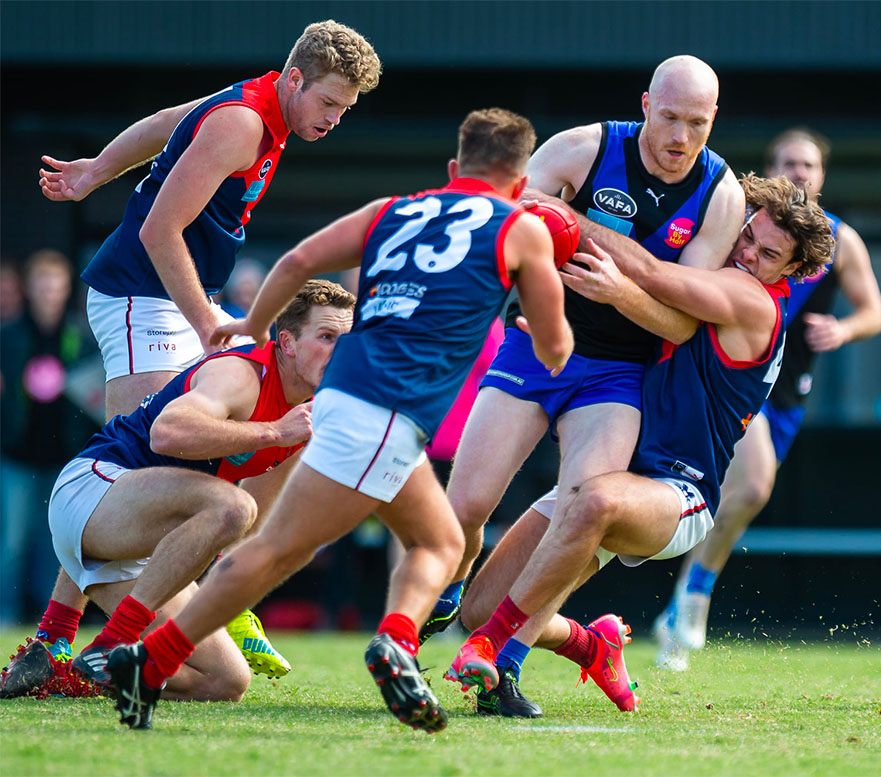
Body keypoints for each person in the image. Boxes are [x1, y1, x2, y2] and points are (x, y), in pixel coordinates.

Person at [106, 108, 572, 732]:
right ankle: (385, 643)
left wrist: (250, 325)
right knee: (284, 550)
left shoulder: (390, 209)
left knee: (438, 540)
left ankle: (389, 643)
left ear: (454, 169)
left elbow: (298, 261)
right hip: (388, 408)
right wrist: (543, 333)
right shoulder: (523, 227)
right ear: (519, 184)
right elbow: (555, 347)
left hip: (351, 398)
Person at [31, 19, 381, 677]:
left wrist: (96, 171)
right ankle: (62, 638)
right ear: (296, 79)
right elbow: (163, 228)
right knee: (143, 465)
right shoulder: (244, 122)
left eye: (346, 110)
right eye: (329, 103)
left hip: (179, 293)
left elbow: (168, 119)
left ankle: (219, 574)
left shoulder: (259, 106)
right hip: (144, 293)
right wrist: (205, 325)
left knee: (264, 427)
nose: (335, 119)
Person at [425, 54, 746, 718]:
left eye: (696, 123)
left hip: (620, 370)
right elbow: (504, 215)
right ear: (645, 104)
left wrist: (620, 289)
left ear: (713, 120)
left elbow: (683, 323)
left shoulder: (721, 195)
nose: (679, 137)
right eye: (669, 118)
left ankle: (501, 666)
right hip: (538, 344)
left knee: (579, 512)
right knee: (465, 506)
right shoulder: (584, 146)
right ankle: (438, 601)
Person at [447, 174, 834, 714]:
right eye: (747, 234)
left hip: (680, 494)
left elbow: (651, 272)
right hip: (621, 478)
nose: (746, 253)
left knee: (594, 501)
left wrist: (569, 216)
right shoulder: (720, 280)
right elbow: (663, 308)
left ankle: (495, 654)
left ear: (792, 270)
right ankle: (592, 645)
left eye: (768, 253)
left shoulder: (753, 299)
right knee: (481, 603)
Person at [0, 280, 354, 701]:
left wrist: (232, 591)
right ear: (287, 342)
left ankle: (69, 674)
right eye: (327, 337)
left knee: (225, 681)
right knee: (231, 504)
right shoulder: (241, 374)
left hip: (137, 536)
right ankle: (109, 643)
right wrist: (274, 431)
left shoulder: (310, 411)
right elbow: (166, 433)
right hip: (92, 492)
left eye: (347, 341)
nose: (340, 352)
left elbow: (255, 517)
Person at [653, 128, 881, 669]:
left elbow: (874, 310)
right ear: (771, 170)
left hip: (786, 389)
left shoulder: (840, 240)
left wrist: (844, 330)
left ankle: (682, 598)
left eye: (808, 163)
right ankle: (692, 599)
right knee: (754, 483)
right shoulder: (741, 227)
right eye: (788, 161)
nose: (799, 171)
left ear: (822, 175)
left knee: (738, 497)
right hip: (728, 372)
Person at [0, 251, 100, 628]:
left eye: (55, 285)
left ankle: (49, 624)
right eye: (41, 285)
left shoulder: (80, 335)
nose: (48, 292)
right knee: (10, 543)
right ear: (29, 288)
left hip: (64, 459)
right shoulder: (8, 335)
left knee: (56, 547)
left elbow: (94, 394)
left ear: (64, 289)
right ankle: (5, 619)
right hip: (16, 455)